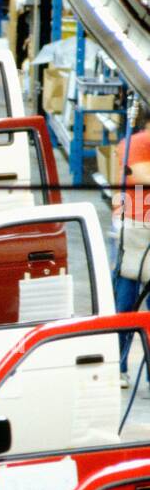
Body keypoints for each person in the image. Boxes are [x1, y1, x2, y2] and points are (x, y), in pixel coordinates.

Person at [111, 104, 150, 383]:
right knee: (126, 302)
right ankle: (120, 366)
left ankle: (120, 367)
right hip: (138, 229)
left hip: (133, 226)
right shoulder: (138, 142)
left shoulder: (130, 141)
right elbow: (139, 175)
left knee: (126, 303)